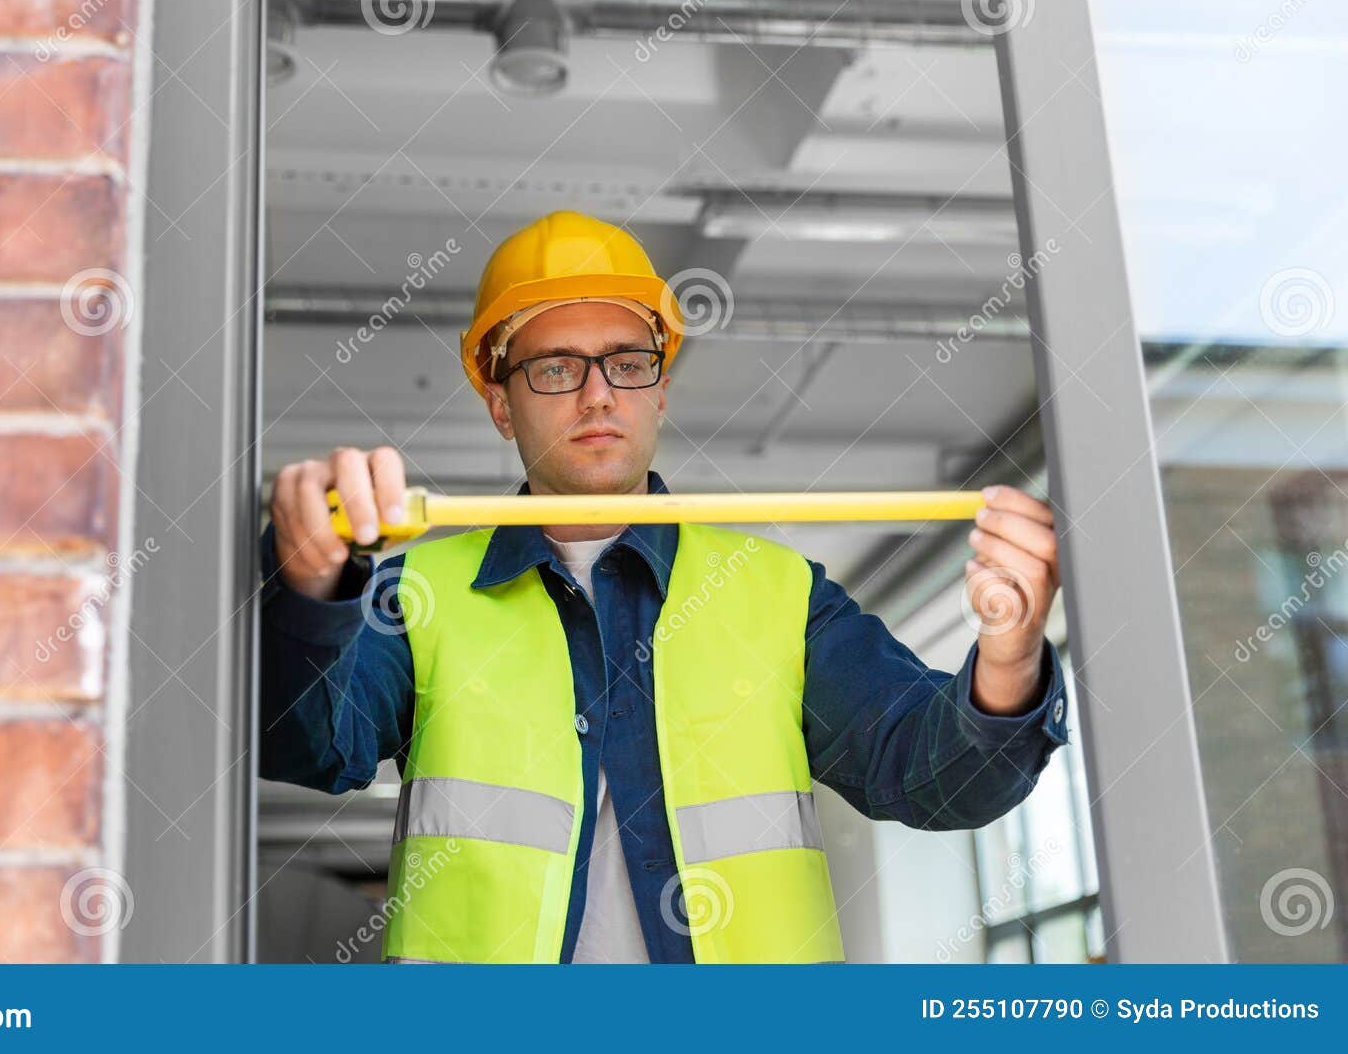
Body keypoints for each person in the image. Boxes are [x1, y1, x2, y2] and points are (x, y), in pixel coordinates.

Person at [259, 210, 1068, 964]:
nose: (599, 392)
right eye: (555, 368)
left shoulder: (778, 593)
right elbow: (308, 744)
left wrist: (1011, 653)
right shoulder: (417, 592)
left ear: (660, 387)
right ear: (499, 404)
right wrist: (310, 576)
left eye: (627, 361)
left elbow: (938, 778)